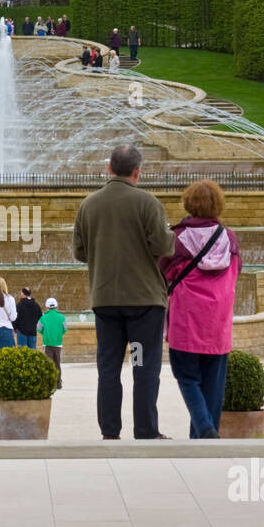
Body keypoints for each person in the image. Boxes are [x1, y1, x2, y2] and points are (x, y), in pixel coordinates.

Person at [73, 144, 177, 440]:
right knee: (142, 366)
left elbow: (80, 251)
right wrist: (169, 234)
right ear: (137, 172)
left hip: (105, 301)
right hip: (143, 303)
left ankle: (110, 431)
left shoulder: (88, 205)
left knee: (108, 368)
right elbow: (162, 246)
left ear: (109, 169)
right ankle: (145, 430)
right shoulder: (147, 203)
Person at [158, 179, 242, 440]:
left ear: (188, 203)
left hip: (186, 320)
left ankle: (205, 428)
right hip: (218, 323)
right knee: (213, 388)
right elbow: (236, 271)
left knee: (187, 377)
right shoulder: (229, 238)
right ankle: (206, 439)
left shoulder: (179, 237)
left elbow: (162, 269)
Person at [40, 297, 67, 390]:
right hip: (58, 344)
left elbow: (39, 329)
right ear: (56, 306)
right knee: (57, 364)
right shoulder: (61, 317)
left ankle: (49, 383)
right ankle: (58, 383)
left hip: (47, 344)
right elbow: (65, 329)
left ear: (47, 306)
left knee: (49, 364)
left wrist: (45, 334)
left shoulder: (43, 317)